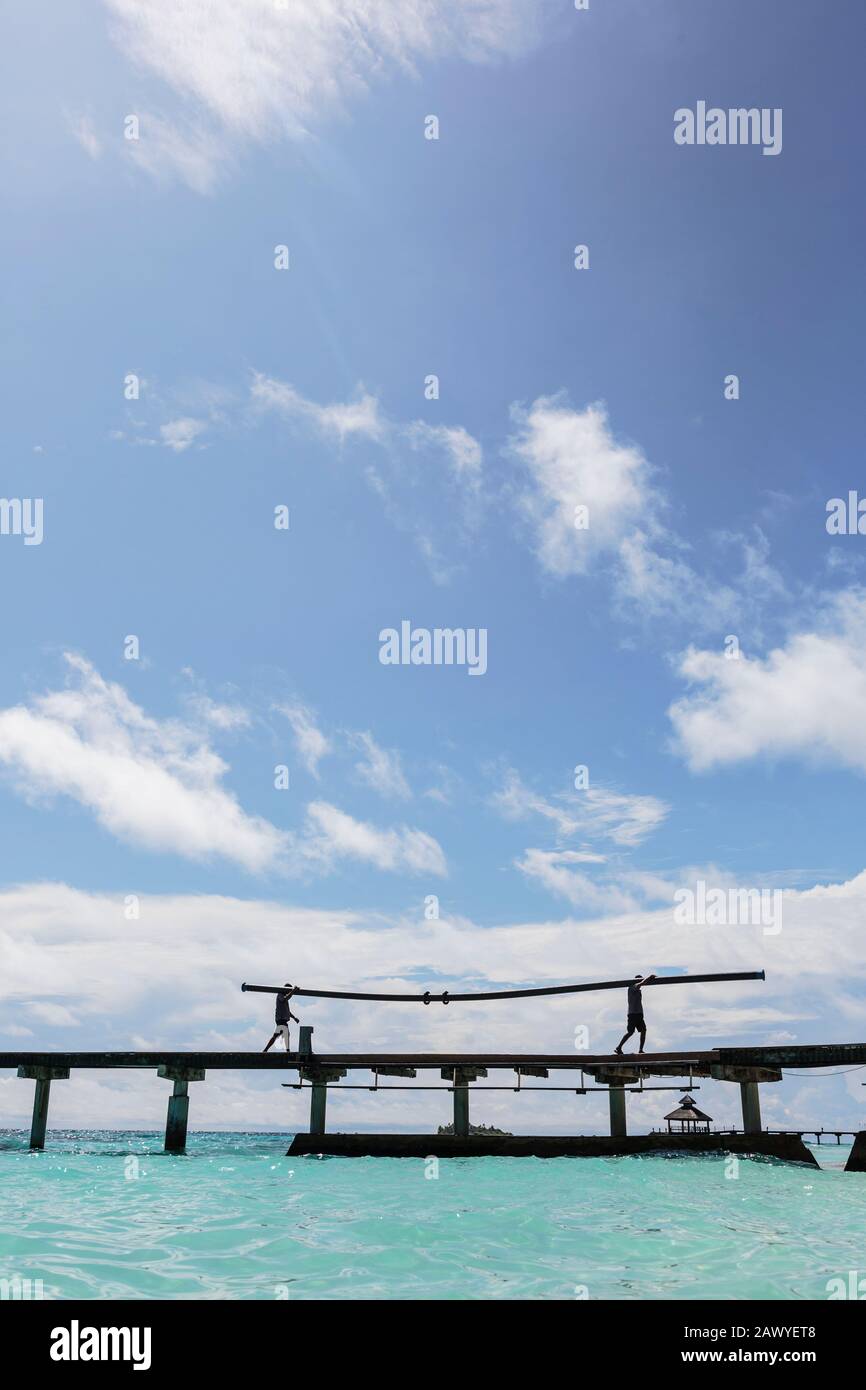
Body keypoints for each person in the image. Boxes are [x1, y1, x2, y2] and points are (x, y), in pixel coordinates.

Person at [614, 972, 656, 1054]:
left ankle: (640, 1050)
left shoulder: (638, 989)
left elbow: (643, 983)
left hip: (638, 1013)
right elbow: (641, 983)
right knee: (630, 1032)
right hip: (633, 1014)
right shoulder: (633, 987)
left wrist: (648, 980)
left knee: (643, 1030)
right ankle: (619, 1047)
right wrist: (650, 977)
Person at [263, 983, 299, 1053]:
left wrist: (294, 1018)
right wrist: (293, 991)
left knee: (277, 1035)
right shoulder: (280, 995)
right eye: (288, 991)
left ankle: (266, 1049)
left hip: (282, 1020)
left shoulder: (285, 997)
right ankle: (287, 1050)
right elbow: (284, 999)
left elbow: (287, 1011)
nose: (289, 992)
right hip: (280, 1019)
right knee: (286, 1033)